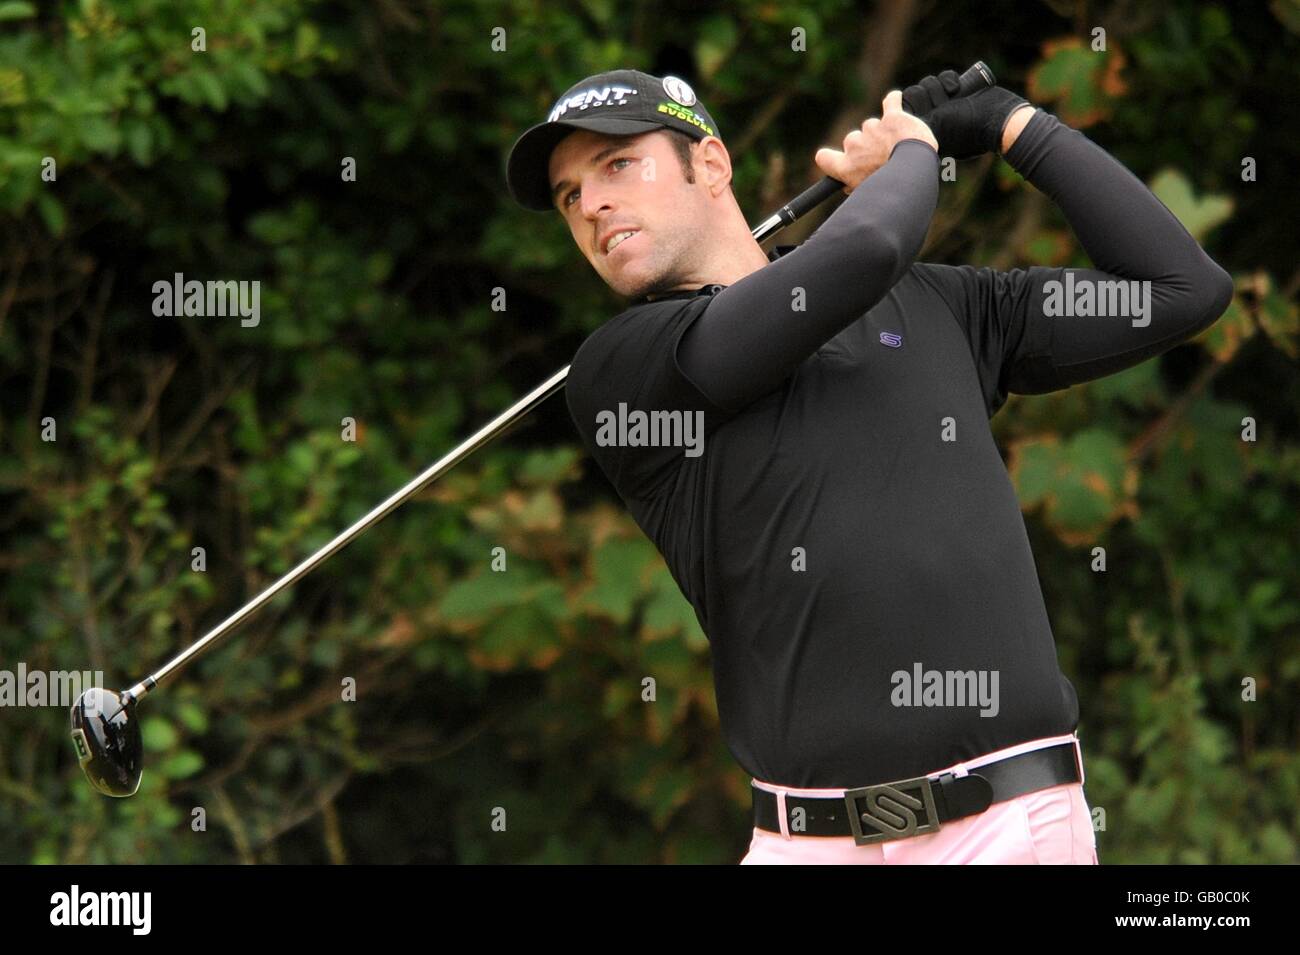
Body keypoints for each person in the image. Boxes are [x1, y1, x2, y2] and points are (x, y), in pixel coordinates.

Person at [505, 68, 1233, 863]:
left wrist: (1012, 125)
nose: (593, 205)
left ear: (710, 165)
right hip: (804, 843)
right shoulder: (625, 370)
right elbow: (871, 245)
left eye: (617, 166)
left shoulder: (946, 308)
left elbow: (1181, 288)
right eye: (570, 195)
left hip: (1004, 829)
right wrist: (914, 154)